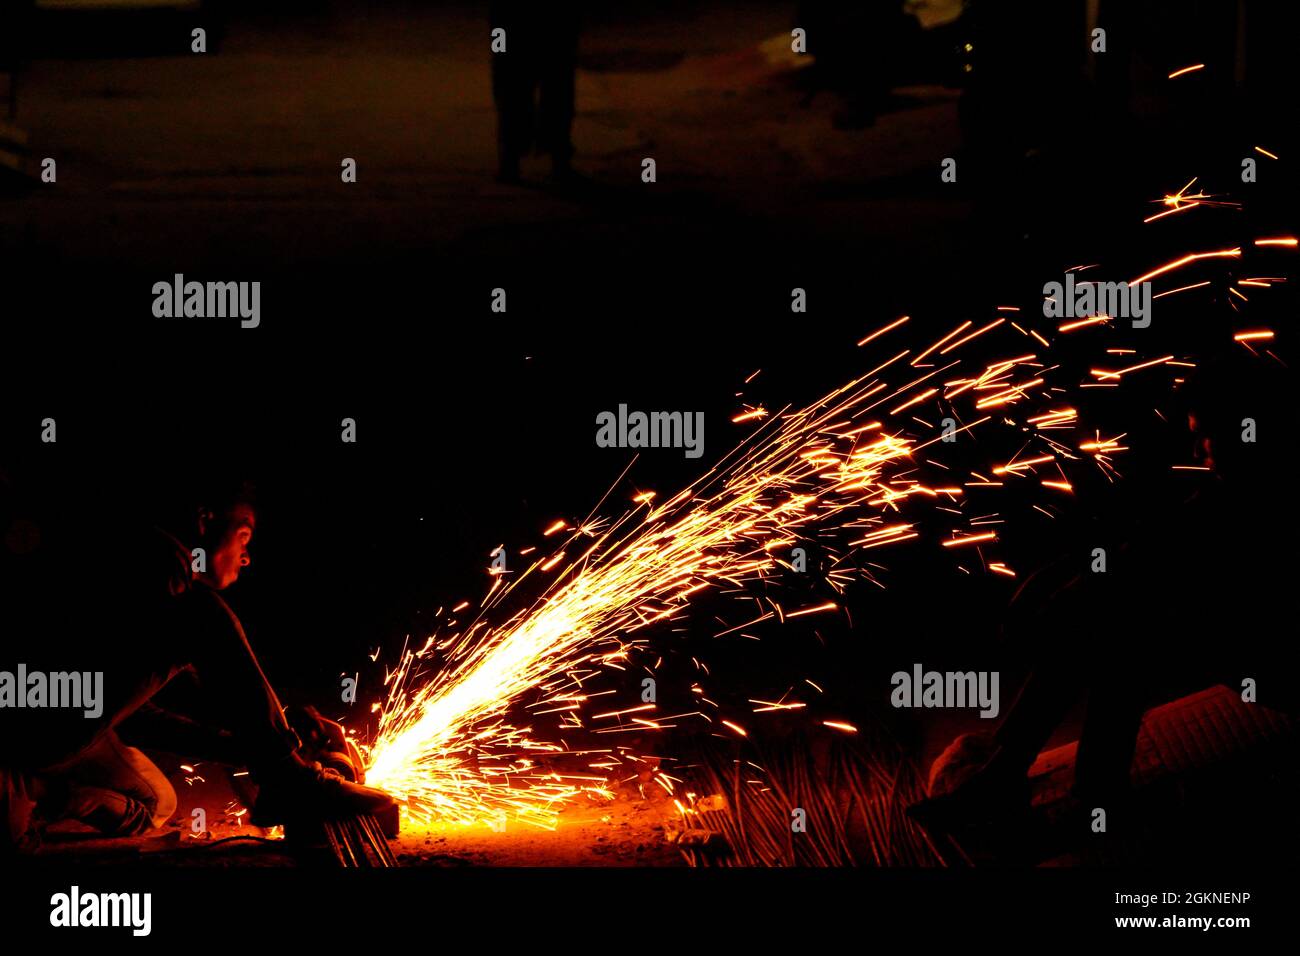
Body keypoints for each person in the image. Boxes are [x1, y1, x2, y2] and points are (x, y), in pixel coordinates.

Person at [908, 355, 1296, 836]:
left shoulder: (1265, 498)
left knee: (1123, 635)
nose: (1198, 451)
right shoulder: (1240, 484)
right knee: (1115, 623)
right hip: (1248, 633)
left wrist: (1056, 601)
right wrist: (1058, 578)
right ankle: (1030, 778)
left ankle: (1035, 781)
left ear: (1247, 429)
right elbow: (1147, 542)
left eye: (1206, 434)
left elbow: (1160, 550)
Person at [0, 478, 395, 855]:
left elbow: (140, 712)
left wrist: (260, 740)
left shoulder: (150, 591)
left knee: (157, 802)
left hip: (58, 720)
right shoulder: (157, 560)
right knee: (201, 614)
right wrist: (279, 752)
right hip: (32, 721)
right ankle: (290, 782)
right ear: (205, 520)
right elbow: (184, 680)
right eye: (243, 535)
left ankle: (32, 787)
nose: (246, 555)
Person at [489, 1, 581, 183]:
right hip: (552, 21)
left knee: (515, 94)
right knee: (555, 92)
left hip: (517, 20)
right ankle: (558, 160)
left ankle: (512, 160)